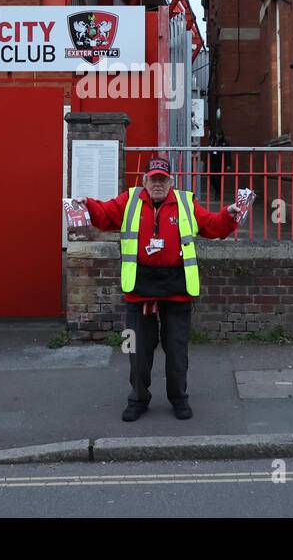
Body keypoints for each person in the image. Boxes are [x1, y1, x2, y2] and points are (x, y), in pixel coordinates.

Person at [71, 156, 239, 421]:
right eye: (153, 179)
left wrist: (228, 216)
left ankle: (179, 399)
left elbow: (212, 226)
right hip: (140, 288)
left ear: (170, 181)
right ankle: (138, 399)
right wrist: (87, 204)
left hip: (177, 286)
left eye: (162, 179)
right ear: (145, 180)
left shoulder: (185, 202)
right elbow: (104, 216)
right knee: (137, 350)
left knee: (176, 349)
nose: (157, 184)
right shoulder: (129, 200)